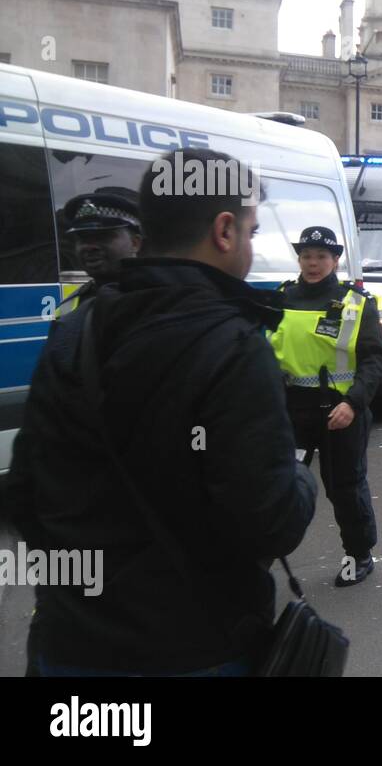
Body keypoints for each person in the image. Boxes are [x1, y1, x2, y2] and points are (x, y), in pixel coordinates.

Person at [2, 148, 316, 676]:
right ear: (223, 230)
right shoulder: (235, 345)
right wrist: (303, 481)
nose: (251, 247)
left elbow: (26, 491)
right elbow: (268, 522)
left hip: (68, 645)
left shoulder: (77, 328)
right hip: (192, 650)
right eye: (252, 231)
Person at [268, 226, 382, 587]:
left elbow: (372, 358)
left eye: (321, 257)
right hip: (292, 409)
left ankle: (358, 555)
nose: (313, 263)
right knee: (279, 485)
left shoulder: (356, 302)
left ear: (335, 261)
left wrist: (353, 403)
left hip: (340, 411)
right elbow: (266, 352)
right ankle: (263, 556)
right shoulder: (281, 297)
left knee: (345, 487)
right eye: (306, 256)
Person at [59, 193, 144, 308]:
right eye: (83, 238)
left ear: (135, 243)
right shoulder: (69, 305)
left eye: (103, 237)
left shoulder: (158, 297)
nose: (90, 247)